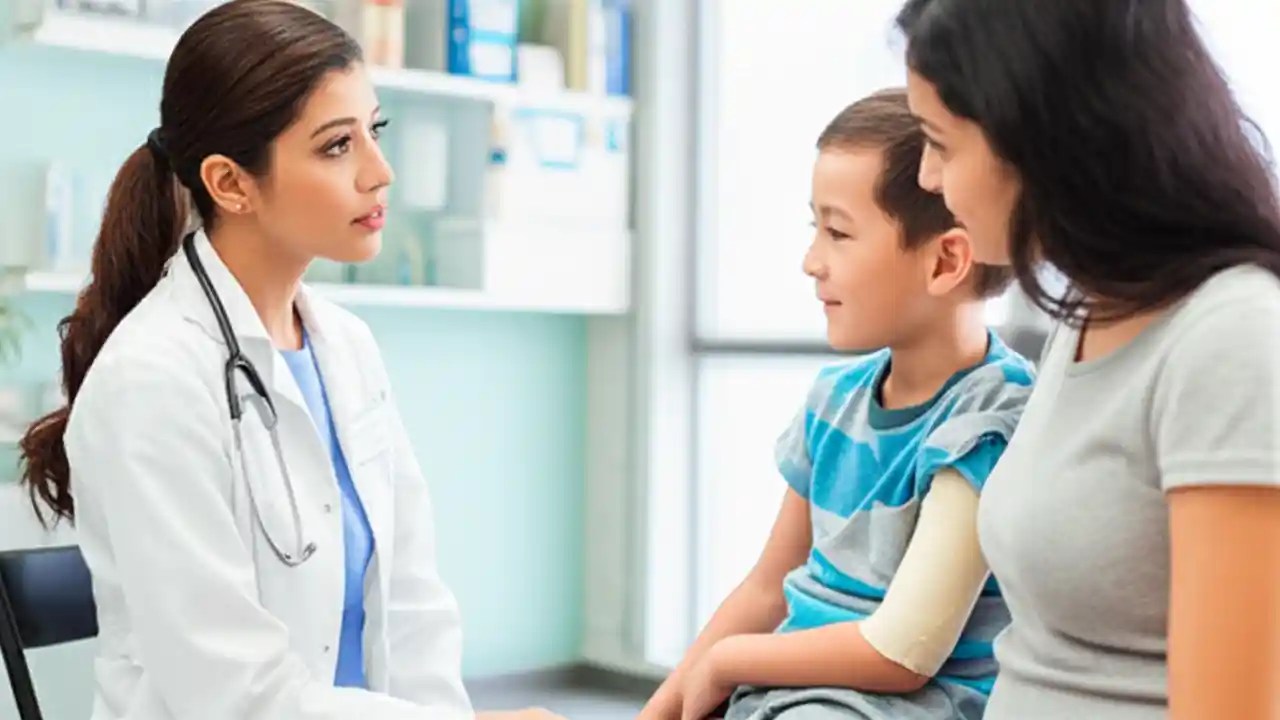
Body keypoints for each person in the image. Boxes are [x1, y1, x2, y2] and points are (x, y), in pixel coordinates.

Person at [17, 2, 557, 719]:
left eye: (376, 131)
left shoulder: (348, 349)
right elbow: (231, 694)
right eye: (337, 146)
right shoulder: (150, 381)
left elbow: (414, 608)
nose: (380, 171)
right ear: (231, 183)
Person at [897, 1, 1280, 718]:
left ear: (1042, 141)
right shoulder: (1089, 313)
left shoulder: (1231, 337)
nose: (926, 177)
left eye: (940, 144)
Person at [639, 89, 1035, 720]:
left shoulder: (991, 419)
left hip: (908, 703)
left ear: (947, 260)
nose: (810, 262)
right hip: (795, 688)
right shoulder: (835, 400)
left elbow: (905, 653)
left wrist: (729, 661)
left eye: (838, 232)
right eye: (813, 228)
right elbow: (768, 587)